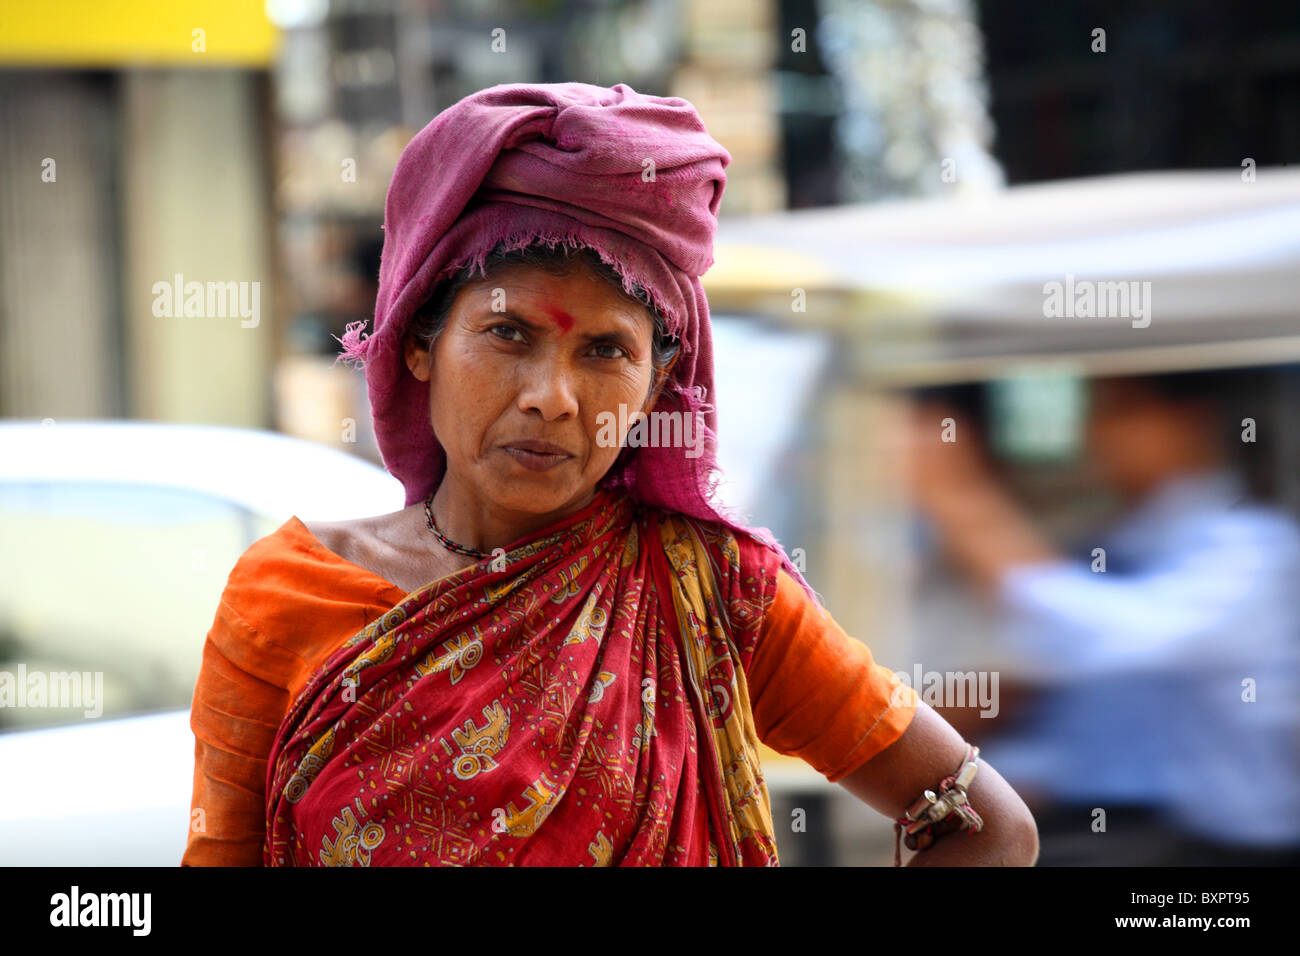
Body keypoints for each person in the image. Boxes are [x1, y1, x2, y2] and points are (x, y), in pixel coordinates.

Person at [183, 82, 1037, 867]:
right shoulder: (285, 598)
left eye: (605, 351)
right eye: (508, 333)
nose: (553, 398)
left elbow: (987, 825)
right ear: (416, 342)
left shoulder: (710, 594)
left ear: (657, 387)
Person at [909, 373, 1300, 865]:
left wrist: (961, 500)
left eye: (1122, 411)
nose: (1097, 432)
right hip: (1103, 829)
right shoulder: (1110, 545)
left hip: (1216, 851)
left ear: (1189, 421)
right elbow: (1043, 689)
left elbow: (1100, 639)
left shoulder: (1251, 549)